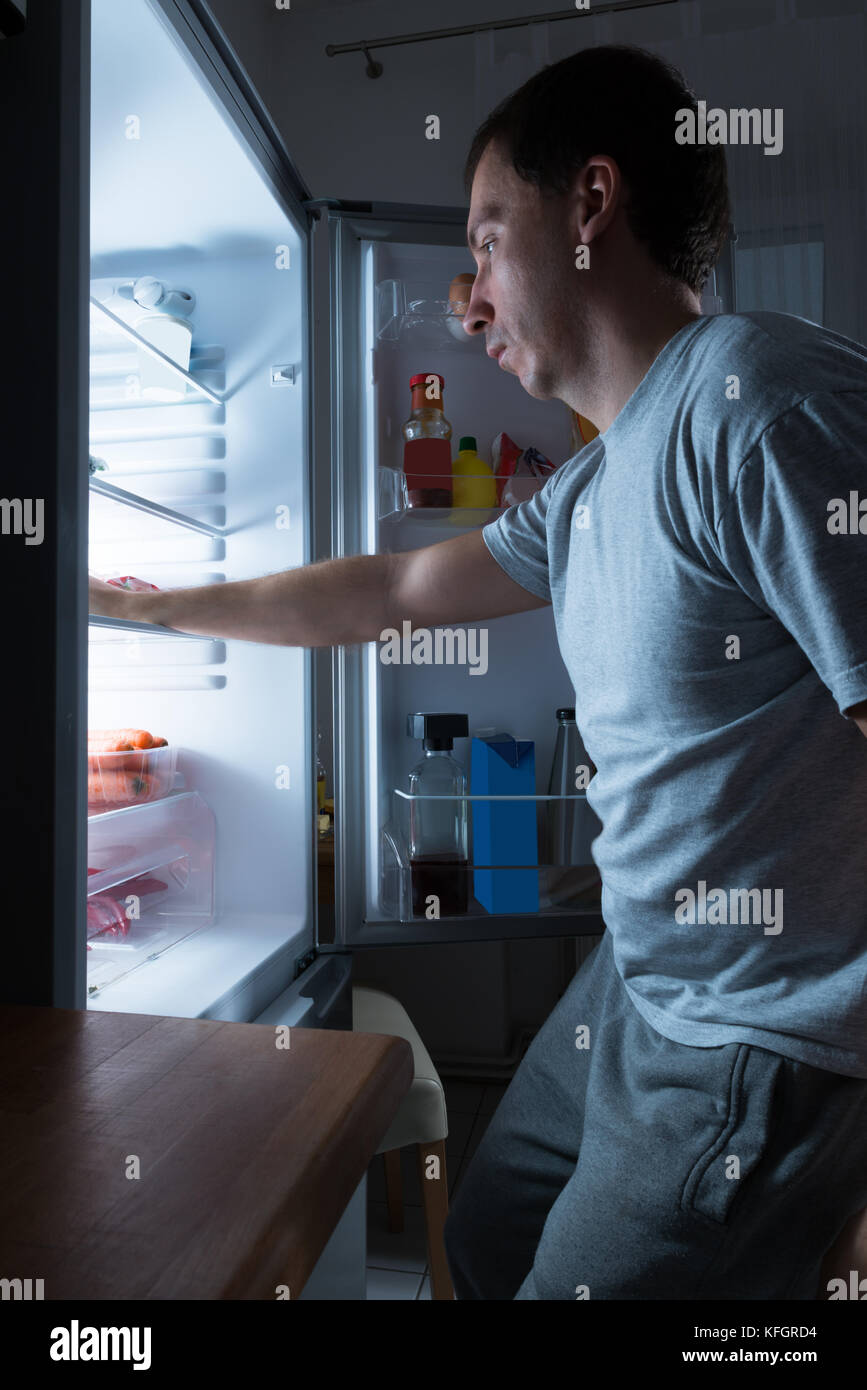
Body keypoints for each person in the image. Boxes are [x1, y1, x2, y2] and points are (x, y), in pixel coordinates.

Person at [89, 44, 867, 1301]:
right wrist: (164, 605)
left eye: (489, 240)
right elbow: (394, 591)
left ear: (590, 208)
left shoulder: (759, 405)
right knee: (485, 1240)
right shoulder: (598, 481)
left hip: (755, 1034)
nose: (468, 299)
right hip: (638, 975)